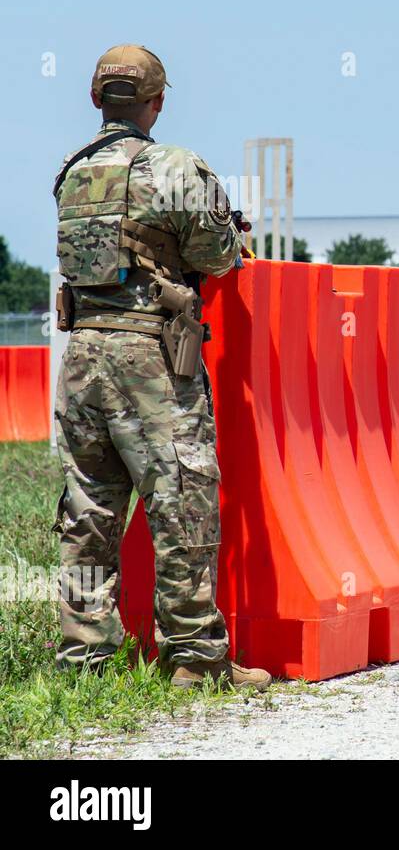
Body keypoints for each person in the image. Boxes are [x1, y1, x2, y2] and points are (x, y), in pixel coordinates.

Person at [52, 44, 269, 690]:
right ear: (158, 101)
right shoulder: (174, 166)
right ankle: (196, 659)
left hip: (82, 352)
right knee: (182, 503)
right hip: (149, 355)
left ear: (96, 99)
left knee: (88, 512)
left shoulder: (71, 169)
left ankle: (84, 658)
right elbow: (218, 254)